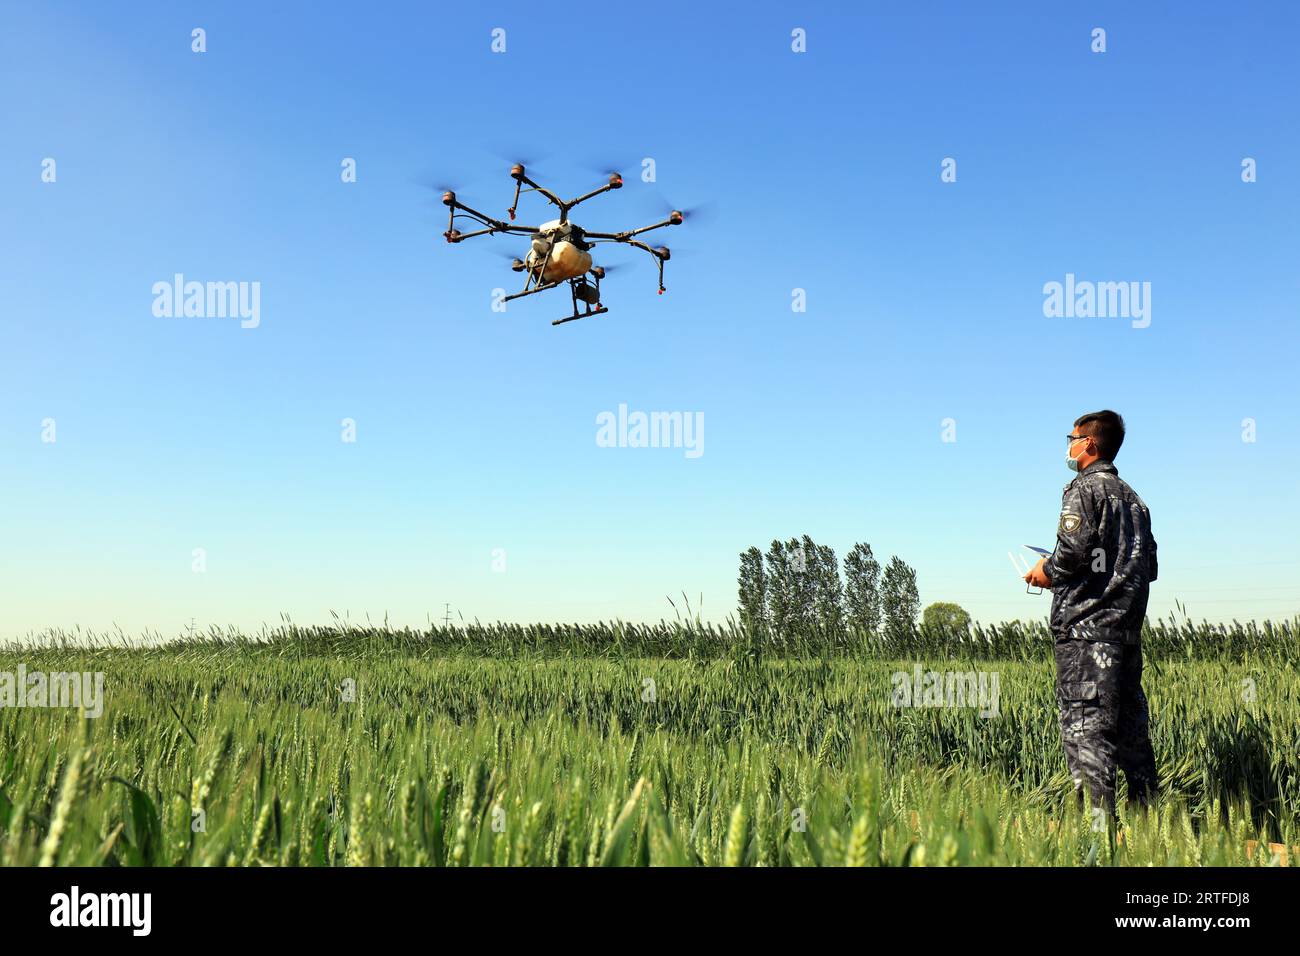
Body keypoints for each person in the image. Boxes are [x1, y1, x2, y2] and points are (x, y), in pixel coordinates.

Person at [1024, 410, 1159, 812]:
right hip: (1126, 635)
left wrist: (1044, 571)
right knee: (1132, 734)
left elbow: (1072, 553)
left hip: (1085, 635)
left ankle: (1097, 837)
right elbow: (1147, 568)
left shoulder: (1084, 490)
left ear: (1090, 444)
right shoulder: (1136, 502)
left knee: (1088, 735)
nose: (1069, 444)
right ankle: (1147, 830)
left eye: (1073, 437)